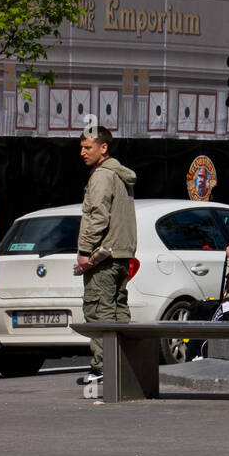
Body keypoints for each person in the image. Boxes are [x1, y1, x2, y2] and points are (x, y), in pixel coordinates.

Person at [75, 127, 136, 388]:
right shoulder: (121, 175)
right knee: (118, 311)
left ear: (103, 148)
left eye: (88, 147)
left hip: (103, 257)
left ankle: (102, 368)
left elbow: (98, 216)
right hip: (121, 255)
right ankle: (124, 365)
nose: (82, 152)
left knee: (98, 312)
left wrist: (84, 251)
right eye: (81, 147)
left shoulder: (102, 176)